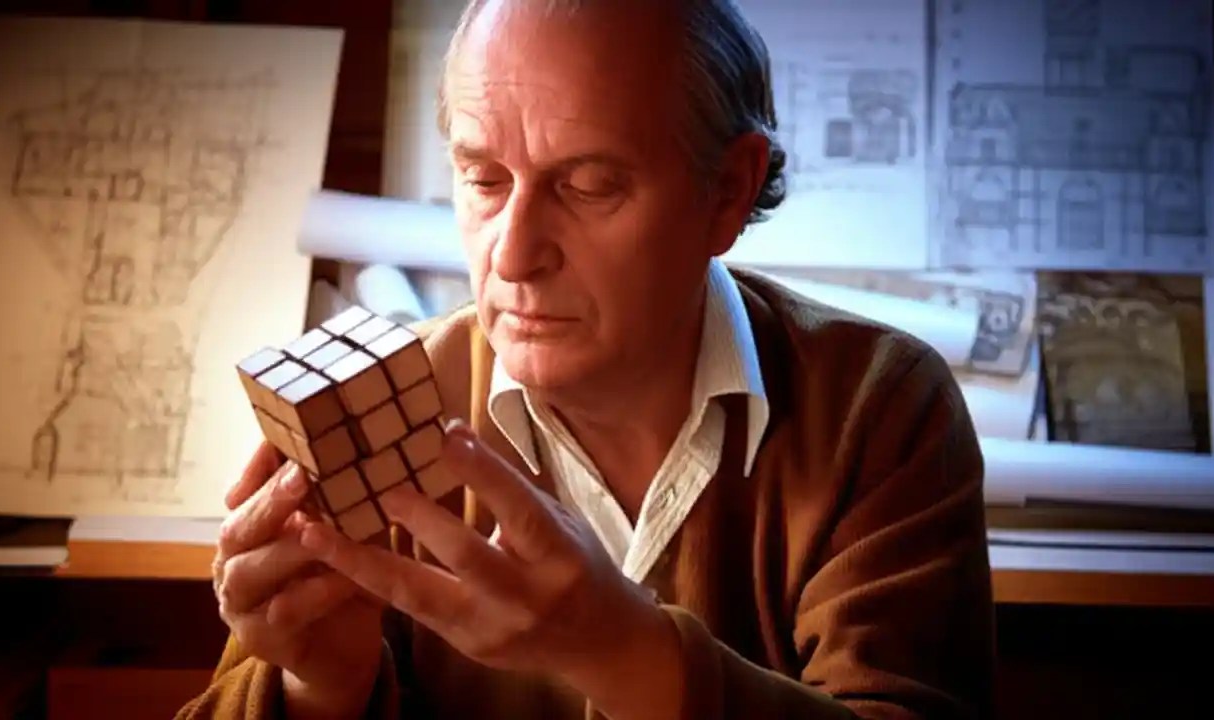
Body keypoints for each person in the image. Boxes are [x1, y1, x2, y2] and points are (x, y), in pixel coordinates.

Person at [178, 1, 995, 718]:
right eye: (484, 180)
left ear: (729, 191)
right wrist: (316, 694)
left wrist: (622, 653)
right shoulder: (382, 408)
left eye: (590, 184)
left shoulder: (878, 408)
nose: (515, 254)